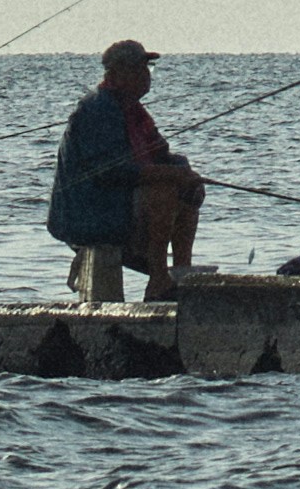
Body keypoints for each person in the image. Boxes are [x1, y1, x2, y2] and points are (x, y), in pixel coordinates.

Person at [45, 39, 203, 301]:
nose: (145, 77)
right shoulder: (98, 109)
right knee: (162, 191)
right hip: (88, 212)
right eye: (138, 70)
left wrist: (184, 172)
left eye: (147, 70)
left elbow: (159, 154)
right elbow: (112, 173)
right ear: (115, 74)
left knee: (185, 187)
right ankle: (159, 279)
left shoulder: (134, 111)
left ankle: (180, 273)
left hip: (115, 203)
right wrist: (170, 174)